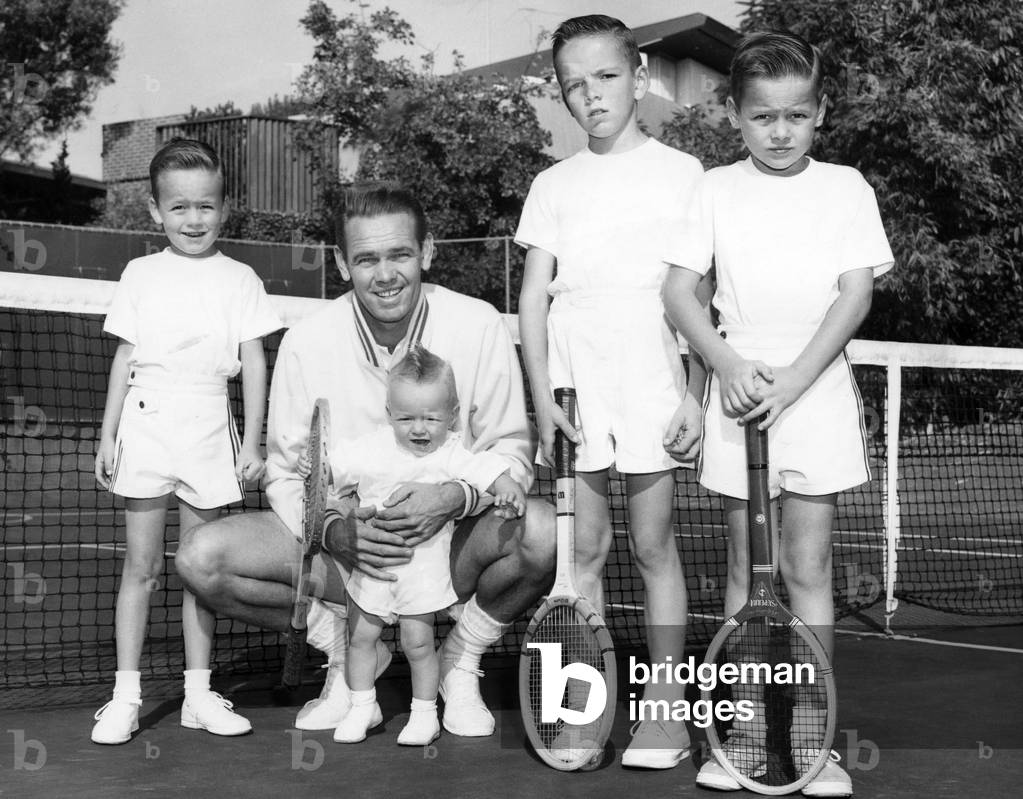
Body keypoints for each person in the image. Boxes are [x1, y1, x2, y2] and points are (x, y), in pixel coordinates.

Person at [174, 182, 554, 742]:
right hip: (342, 558)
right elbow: (285, 471)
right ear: (341, 263)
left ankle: (460, 656)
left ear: (426, 252)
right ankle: (345, 652)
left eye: (400, 254)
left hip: (451, 542)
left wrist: (456, 496)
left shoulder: (478, 325)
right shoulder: (306, 341)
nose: (385, 274)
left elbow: (511, 450)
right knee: (201, 558)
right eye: (366, 258)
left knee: (544, 533)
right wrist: (331, 528)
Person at [661, 30, 894, 798]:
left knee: (805, 569)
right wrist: (726, 366)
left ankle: (810, 736)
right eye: (764, 117)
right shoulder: (713, 190)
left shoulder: (845, 188)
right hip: (737, 399)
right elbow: (677, 293)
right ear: (733, 115)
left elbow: (853, 293)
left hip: (814, 392)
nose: (781, 131)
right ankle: (744, 730)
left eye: (797, 115)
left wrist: (794, 378)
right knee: (742, 571)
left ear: (820, 112)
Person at [516, 14, 707, 770]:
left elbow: (697, 296)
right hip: (575, 385)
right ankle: (582, 712)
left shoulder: (684, 173)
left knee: (654, 545)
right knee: (582, 554)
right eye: (573, 84)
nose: (589, 94)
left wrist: (692, 394)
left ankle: (664, 713)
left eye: (603, 75)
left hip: (651, 382)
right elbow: (533, 299)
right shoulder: (550, 185)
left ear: (637, 74)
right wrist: (541, 397)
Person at [91, 138, 282, 744]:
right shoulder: (139, 274)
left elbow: (254, 363)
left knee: (199, 569)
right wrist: (108, 435)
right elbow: (124, 359)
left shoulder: (241, 278)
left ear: (224, 210)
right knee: (141, 567)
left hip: (209, 430)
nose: (192, 219)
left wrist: (252, 442)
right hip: (146, 429)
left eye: (205, 207)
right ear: (154, 211)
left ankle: (200, 694)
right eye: (179, 208)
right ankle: (125, 697)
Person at [296, 345, 526, 745]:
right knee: (361, 639)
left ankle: (424, 715)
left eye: (431, 418)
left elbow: (485, 469)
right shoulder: (373, 446)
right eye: (406, 418)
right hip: (372, 566)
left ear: (452, 415)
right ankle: (361, 706)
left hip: (422, 569)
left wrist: (505, 486)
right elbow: (332, 467)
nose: (418, 429)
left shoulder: (451, 451)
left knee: (417, 643)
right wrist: (314, 466)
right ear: (388, 414)